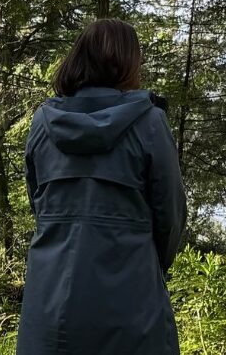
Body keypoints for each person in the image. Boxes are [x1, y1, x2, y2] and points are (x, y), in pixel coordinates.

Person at [17, 18, 186, 355]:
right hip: (131, 306)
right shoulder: (149, 121)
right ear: (128, 62)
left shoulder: (43, 122)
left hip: (48, 306)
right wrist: (147, 267)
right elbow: (171, 218)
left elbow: (39, 204)